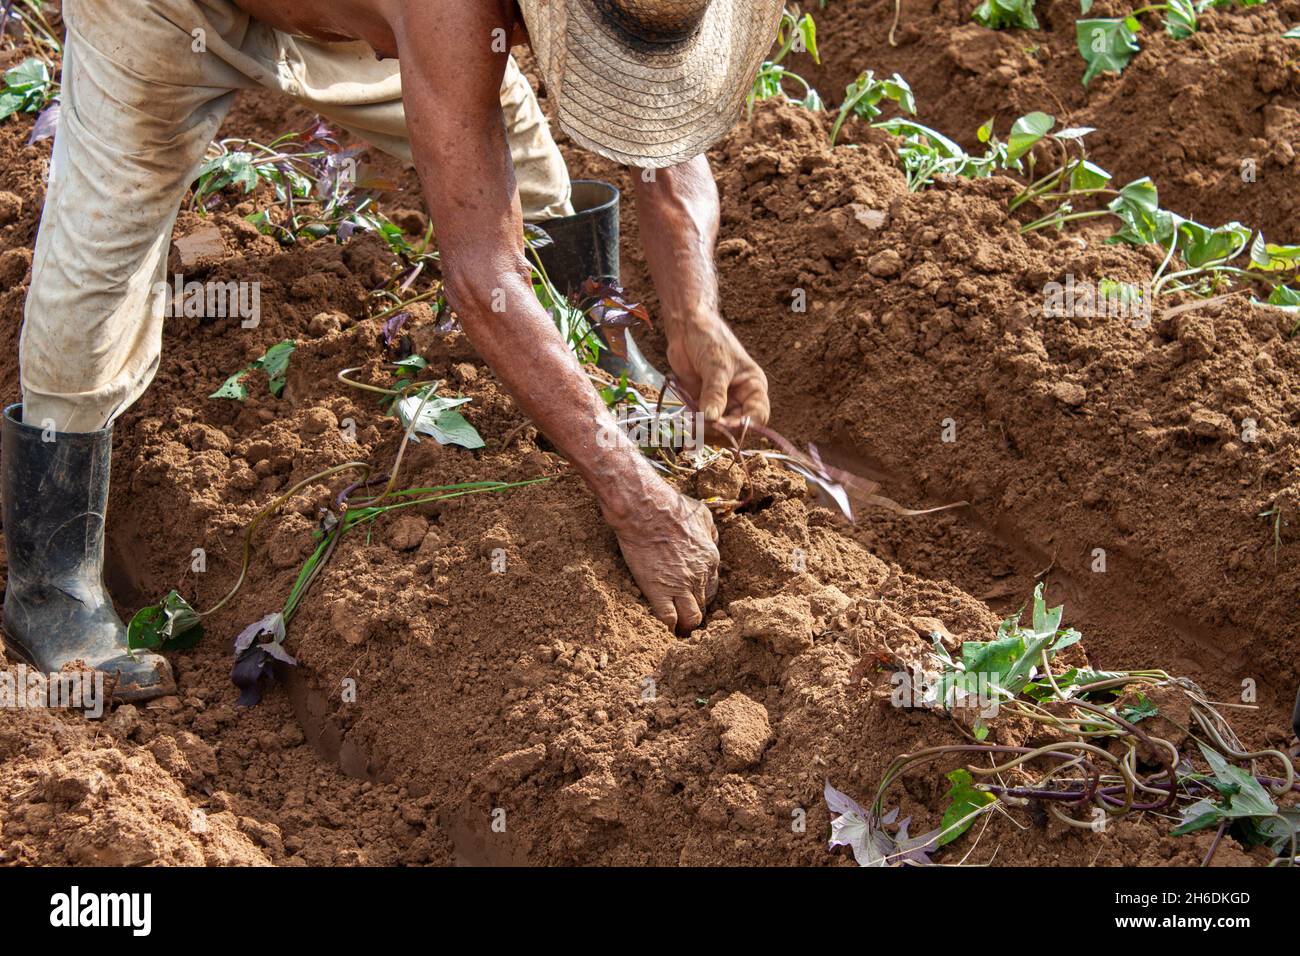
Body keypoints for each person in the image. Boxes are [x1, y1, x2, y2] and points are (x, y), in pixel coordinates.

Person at [4, 0, 778, 701]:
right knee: (97, 268)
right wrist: (632, 497)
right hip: (169, 13)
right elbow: (484, 276)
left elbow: (663, 130)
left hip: (374, 20)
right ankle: (51, 584)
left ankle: (604, 366)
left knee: (537, 190)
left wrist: (695, 312)